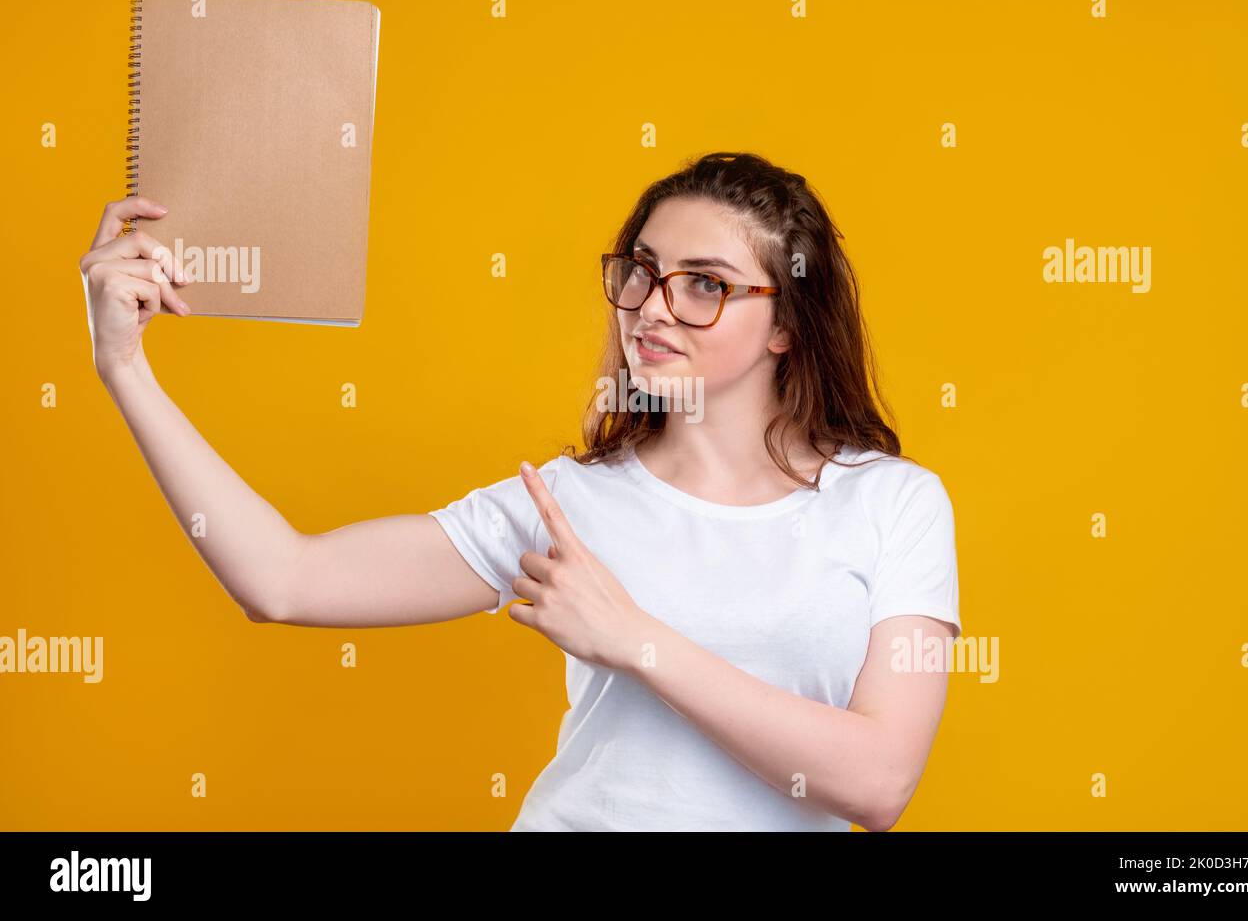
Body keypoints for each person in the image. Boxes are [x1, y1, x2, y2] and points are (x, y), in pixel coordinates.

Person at [78, 151, 961, 831]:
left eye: (706, 286)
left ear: (786, 327)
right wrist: (124, 365)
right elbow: (284, 580)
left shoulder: (893, 504)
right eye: (641, 270)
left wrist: (635, 640)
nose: (652, 307)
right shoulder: (564, 505)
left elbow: (879, 782)